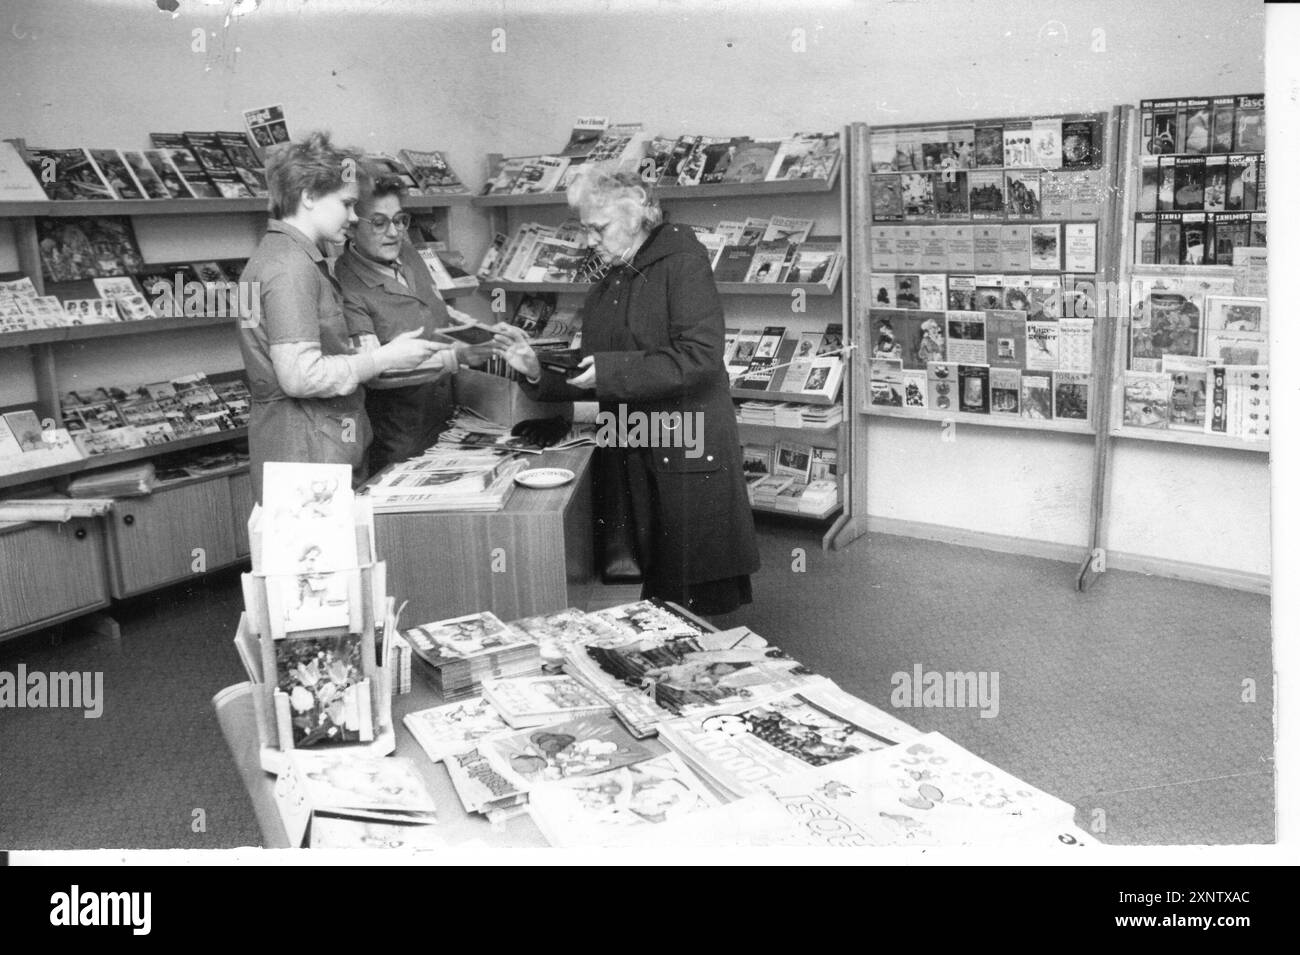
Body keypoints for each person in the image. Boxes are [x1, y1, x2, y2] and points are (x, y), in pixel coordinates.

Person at [493, 167, 760, 617]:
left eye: (599, 228)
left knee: (692, 593)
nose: (590, 240)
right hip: (638, 439)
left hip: (684, 439)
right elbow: (596, 368)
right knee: (652, 590)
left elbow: (699, 357)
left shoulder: (682, 263)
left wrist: (611, 371)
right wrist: (537, 369)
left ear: (636, 215)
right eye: (585, 228)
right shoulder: (615, 272)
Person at [238, 132, 438, 502]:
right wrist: (381, 359)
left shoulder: (280, 257)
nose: (351, 216)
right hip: (309, 456)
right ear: (309, 196)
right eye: (346, 203)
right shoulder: (290, 268)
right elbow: (300, 375)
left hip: (307, 447)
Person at [336, 171, 483, 473]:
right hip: (399, 439)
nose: (394, 232)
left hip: (447, 417)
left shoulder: (406, 250)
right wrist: (454, 357)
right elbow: (373, 370)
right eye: (379, 222)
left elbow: (433, 305)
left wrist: (465, 327)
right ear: (351, 226)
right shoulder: (346, 286)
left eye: (400, 220)